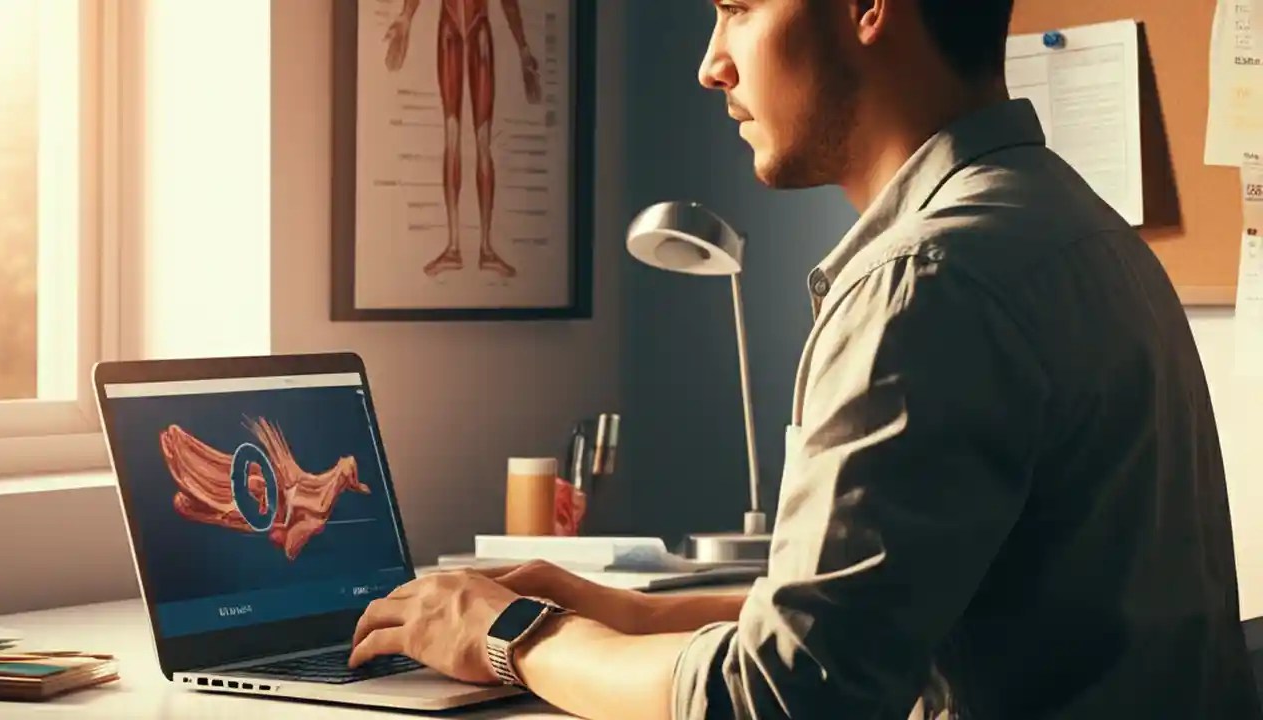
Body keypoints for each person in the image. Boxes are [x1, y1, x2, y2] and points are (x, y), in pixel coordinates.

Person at [349, 1, 1263, 718]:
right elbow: (879, 610)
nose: (711, 63)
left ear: (868, 7)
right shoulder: (1072, 228)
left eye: (738, 8)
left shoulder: (925, 282)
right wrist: (618, 611)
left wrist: (511, 635)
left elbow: (776, 699)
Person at [383, 0, 542, 279]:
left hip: (475, 31)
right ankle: (455, 247)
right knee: (453, 135)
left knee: (480, 142)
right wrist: (405, 17)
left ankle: (485, 248)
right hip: (451, 31)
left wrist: (523, 48)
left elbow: (509, 3)